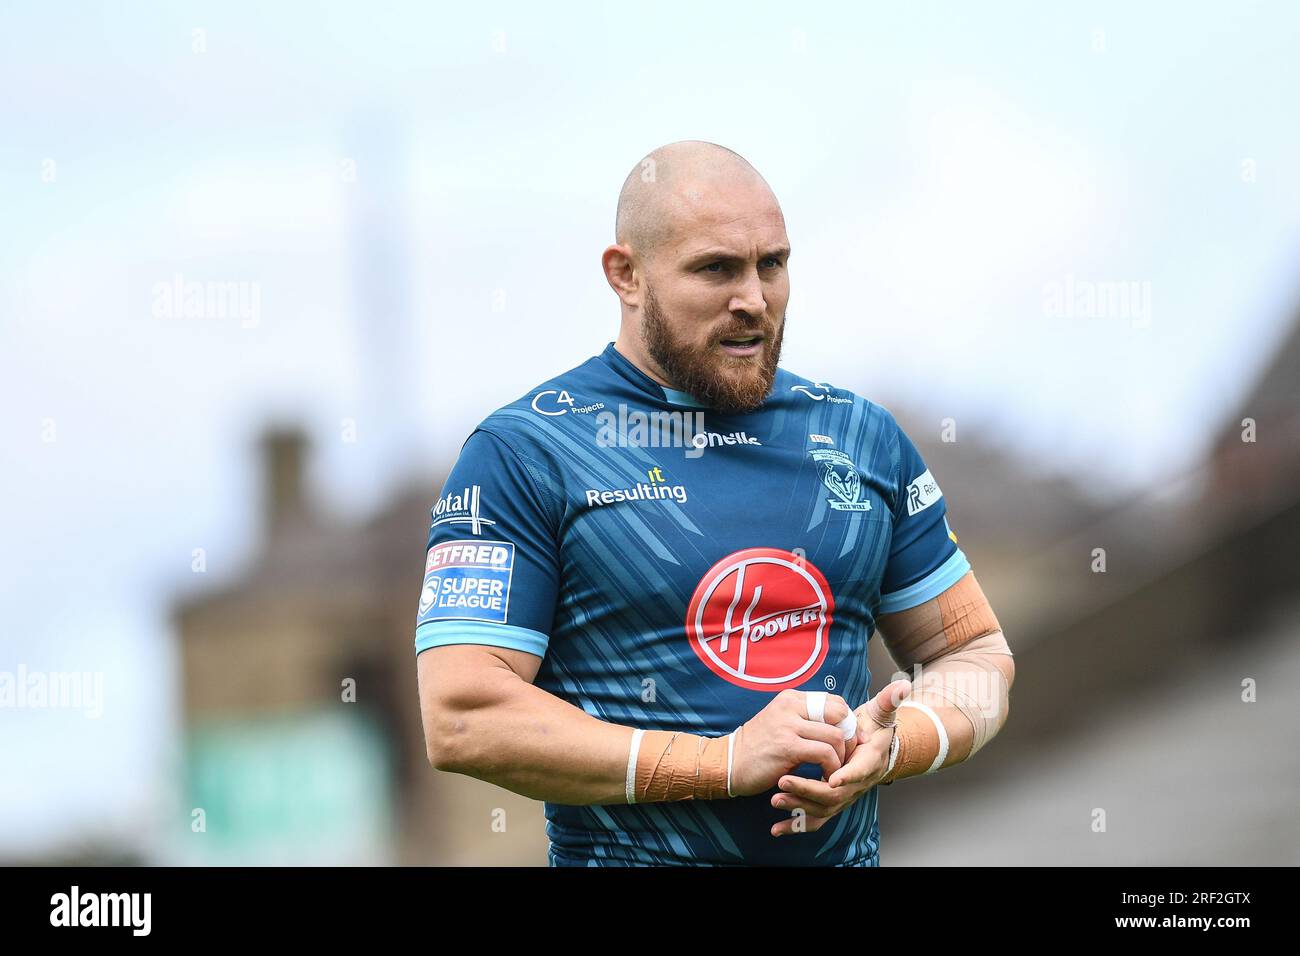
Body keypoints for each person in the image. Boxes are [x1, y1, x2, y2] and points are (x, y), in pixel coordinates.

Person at [414, 140, 1015, 866]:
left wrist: (896, 746)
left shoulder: (861, 437)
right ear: (626, 275)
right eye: (716, 269)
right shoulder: (526, 451)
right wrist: (725, 762)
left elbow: (975, 655)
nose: (754, 300)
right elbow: (463, 717)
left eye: (773, 264)